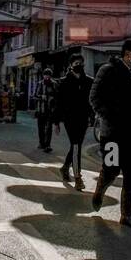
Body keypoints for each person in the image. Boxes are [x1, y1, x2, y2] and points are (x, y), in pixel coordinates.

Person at [90, 39, 131, 229]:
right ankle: (100, 189)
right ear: (128, 54)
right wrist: (107, 116)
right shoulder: (108, 70)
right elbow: (94, 97)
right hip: (112, 133)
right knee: (111, 169)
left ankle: (127, 215)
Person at [55, 57, 93, 187]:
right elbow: (58, 102)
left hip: (83, 118)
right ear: (71, 65)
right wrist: (56, 122)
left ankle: (65, 167)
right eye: (76, 63)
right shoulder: (64, 82)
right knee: (76, 145)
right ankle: (78, 177)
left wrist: (92, 117)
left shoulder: (89, 81)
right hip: (69, 119)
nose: (79, 65)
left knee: (76, 146)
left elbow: (91, 102)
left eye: (81, 63)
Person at [35, 67, 56, 152]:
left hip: (50, 110)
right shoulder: (40, 84)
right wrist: (41, 96)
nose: (47, 77)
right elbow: (35, 95)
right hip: (41, 109)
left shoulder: (54, 84)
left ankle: (48, 145)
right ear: (43, 76)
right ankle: (41, 143)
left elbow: (57, 95)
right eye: (46, 75)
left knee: (49, 128)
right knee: (41, 128)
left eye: (48, 75)